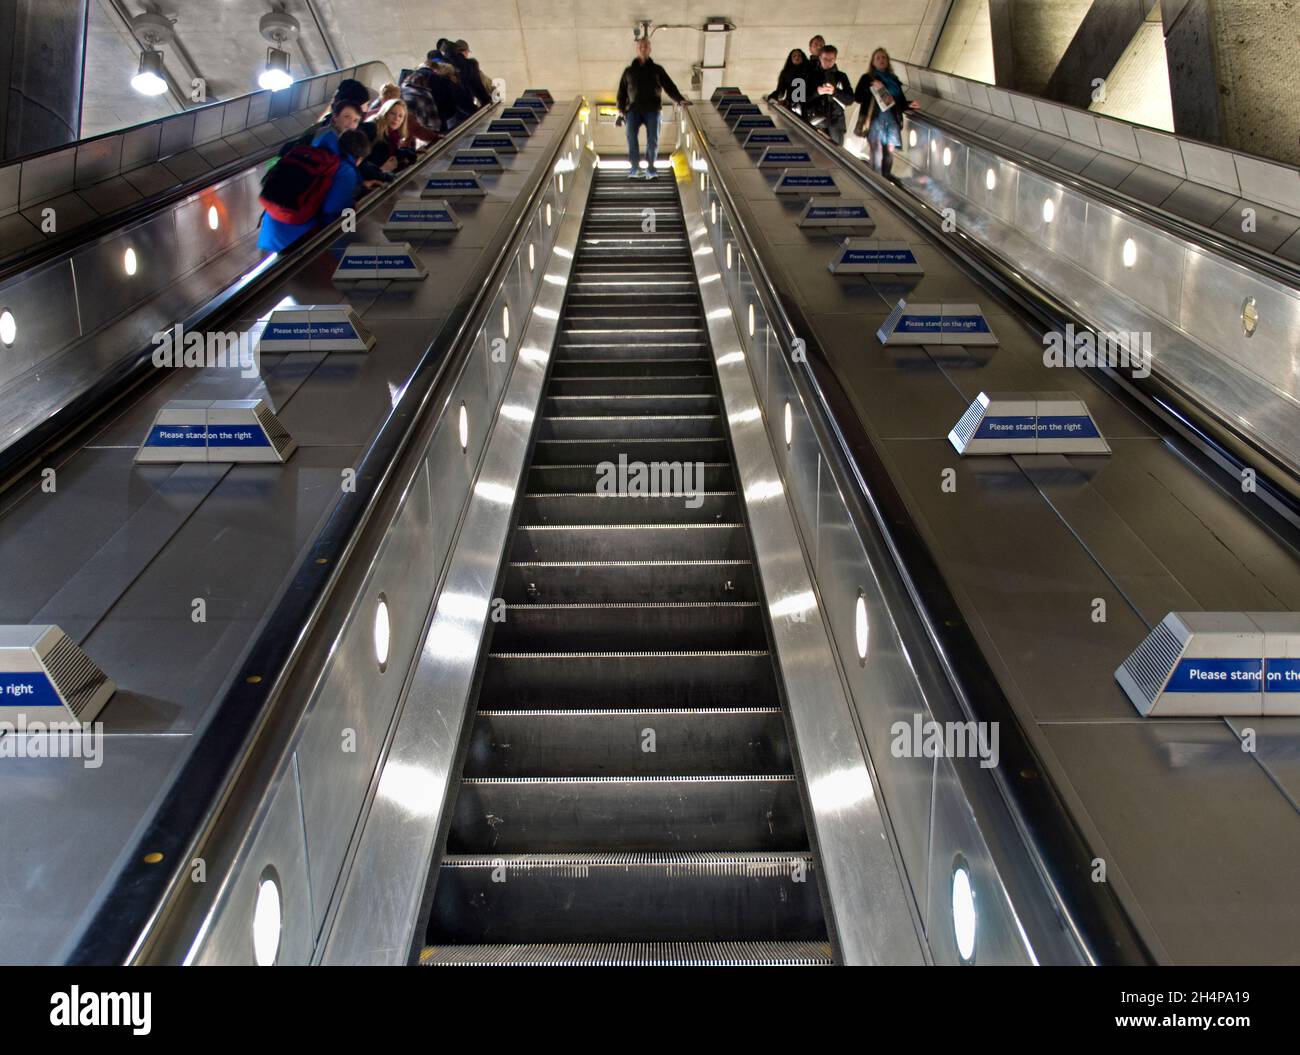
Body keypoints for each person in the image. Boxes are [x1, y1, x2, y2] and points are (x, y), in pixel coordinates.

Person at [259, 128, 368, 252]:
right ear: (359, 159)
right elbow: (331, 208)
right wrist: (352, 207)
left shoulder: (312, 152)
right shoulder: (346, 170)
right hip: (296, 239)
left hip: (269, 228)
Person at [616, 36, 690, 179]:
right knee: (631, 137)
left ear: (650, 49)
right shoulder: (629, 71)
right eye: (640, 46)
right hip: (633, 110)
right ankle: (635, 168)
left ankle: (650, 169)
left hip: (653, 110)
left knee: (653, 140)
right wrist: (620, 109)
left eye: (646, 46)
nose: (643, 49)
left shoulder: (657, 70)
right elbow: (622, 92)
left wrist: (680, 100)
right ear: (637, 49)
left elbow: (669, 86)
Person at [854, 47, 919, 179]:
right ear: (873, 62)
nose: (881, 60)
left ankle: (886, 176)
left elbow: (899, 101)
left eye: (884, 57)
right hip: (874, 119)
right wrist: (871, 87)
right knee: (876, 150)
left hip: (892, 119)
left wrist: (909, 105)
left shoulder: (893, 79)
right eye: (878, 58)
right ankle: (875, 178)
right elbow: (858, 97)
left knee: (889, 150)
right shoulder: (867, 78)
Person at [804, 43, 854, 146]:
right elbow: (800, 98)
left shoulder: (841, 76)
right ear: (819, 58)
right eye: (825, 59)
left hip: (836, 122)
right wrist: (817, 92)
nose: (828, 62)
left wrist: (835, 92)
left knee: (837, 155)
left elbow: (850, 99)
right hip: (815, 120)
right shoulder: (810, 75)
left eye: (831, 59)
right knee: (815, 153)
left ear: (835, 59)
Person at [363, 98, 417, 173]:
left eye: (400, 116)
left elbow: (388, 152)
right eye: (393, 113)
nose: (396, 118)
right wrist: (381, 171)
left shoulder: (392, 134)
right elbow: (362, 161)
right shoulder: (372, 128)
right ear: (385, 113)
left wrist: (409, 152)